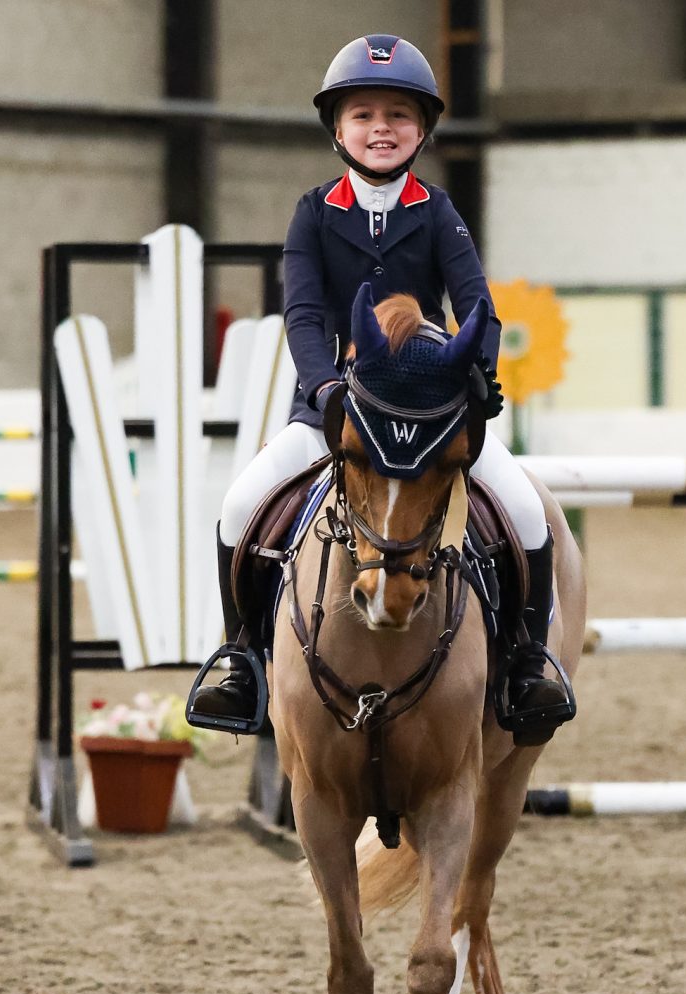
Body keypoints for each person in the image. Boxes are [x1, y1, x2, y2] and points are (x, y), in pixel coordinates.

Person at [192, 34, 573, 743]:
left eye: (397, 114)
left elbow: (475, 304)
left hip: (427, 410)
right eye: (362, 114)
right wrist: (327, 386)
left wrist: (477, 379)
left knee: (522, 508)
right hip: (335, 409)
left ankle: (525, 662)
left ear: (421, 130)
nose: (380, 128)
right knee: (241, 503)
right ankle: (241, 658)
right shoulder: (312, 213)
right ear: (337, 130)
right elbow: (303, 314)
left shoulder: (436, 210)